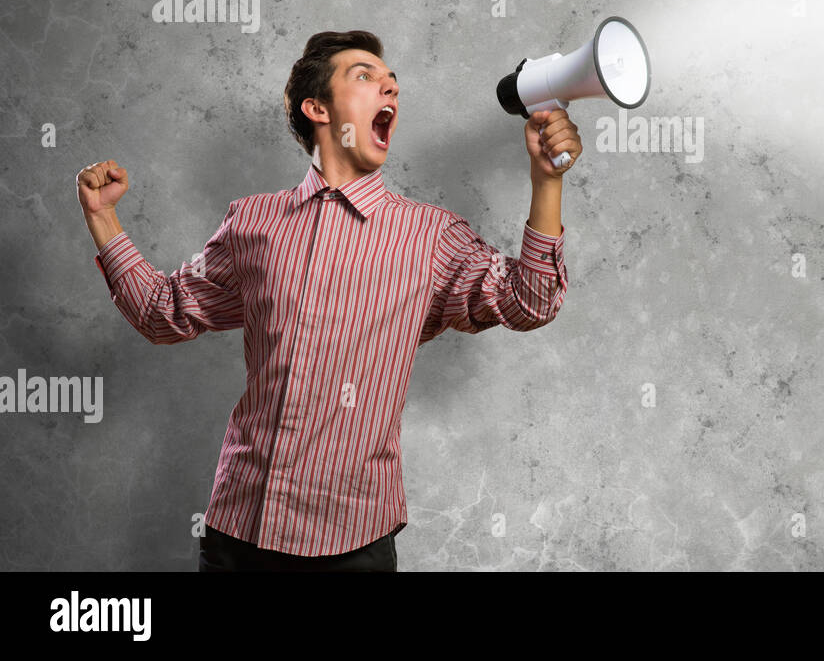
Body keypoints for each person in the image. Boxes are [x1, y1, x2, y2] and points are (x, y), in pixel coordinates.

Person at [77, 30, 581, 571]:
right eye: (364, 76)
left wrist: (545, 182)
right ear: (317, 108)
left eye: (391, 82)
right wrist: (102, 216)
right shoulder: (252, 221)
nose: (389, 86)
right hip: (238, 535)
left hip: (353, 546)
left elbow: (531, 302)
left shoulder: (432, 237)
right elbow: (163, 313)